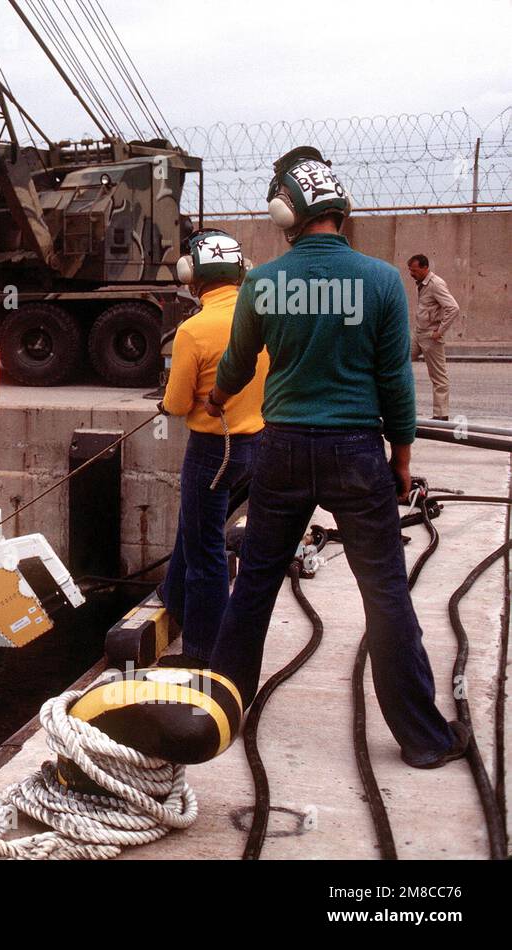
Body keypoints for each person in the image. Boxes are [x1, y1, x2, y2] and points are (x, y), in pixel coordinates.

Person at [203, 145, 468, 769]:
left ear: (283, 215)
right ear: (342, 209)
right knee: (386, 594)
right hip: (356, 452)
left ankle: (218, 716)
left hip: (281, 451)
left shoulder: (262, 282)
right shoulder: (380, 281)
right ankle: (425, 740)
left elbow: (237, 367)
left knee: (257, 586)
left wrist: (215, 397)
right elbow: (396, 385)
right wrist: (400, 460)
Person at [157, 228, 269, 667]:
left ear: (193, 277)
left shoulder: (193, 330)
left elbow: (179, 402)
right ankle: (174, 594)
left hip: (212, 450)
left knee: (206, 552)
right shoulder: (261, 316)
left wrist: (168, 403)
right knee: (196, 524)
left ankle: (203, 651)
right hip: (256, 445)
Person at [405, 254, 460, 421]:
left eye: (414, 270)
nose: (411, 274)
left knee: (438, 376)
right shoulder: (421, 284)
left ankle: (441, 415)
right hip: (418, 333)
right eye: (410, 270)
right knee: (398, 361)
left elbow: (453, 308)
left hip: (431, 336)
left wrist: (440, 331)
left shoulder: (436, 284)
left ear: (425, 268)